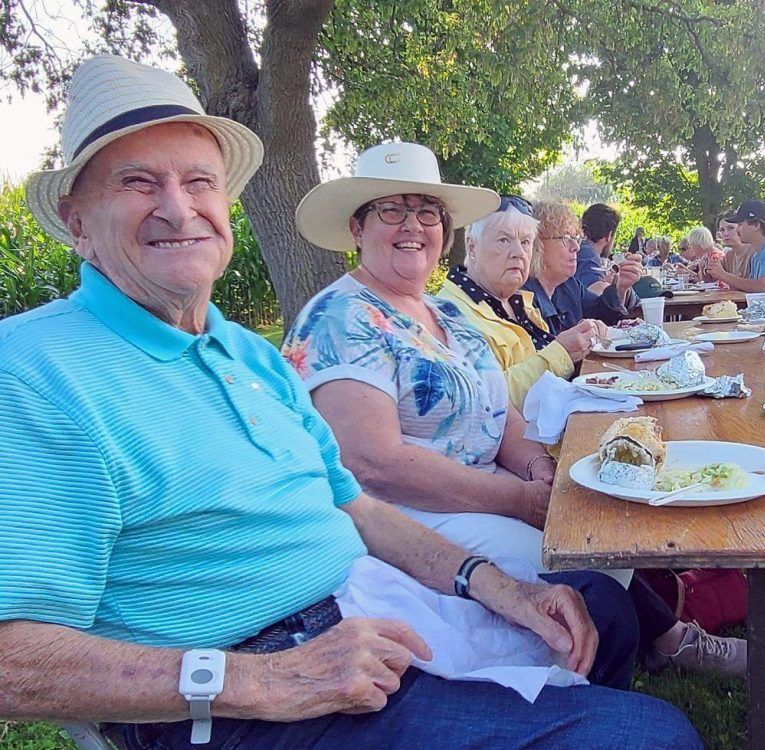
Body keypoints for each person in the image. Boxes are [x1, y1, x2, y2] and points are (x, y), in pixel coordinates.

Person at [0, 56, 703, 750]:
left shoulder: (244, 352)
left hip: (358, 609)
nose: (179, 208)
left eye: (199, 182)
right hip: (240, 696)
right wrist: (261, 680)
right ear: (77, 221)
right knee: (650, 737)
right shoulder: (32, 370)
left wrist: (496, 586)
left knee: (601, 610)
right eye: (137, 182)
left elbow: (354, 505)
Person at [284, 145, 576, 574]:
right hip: (409, 521)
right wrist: (519, 499)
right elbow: (376, 466)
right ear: (357, 229)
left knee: (603, 530)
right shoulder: (340, 317)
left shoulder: (449, 315)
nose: (413, 225)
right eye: (391, 211)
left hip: (492, 495)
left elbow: (500, 412)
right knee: (582, 562)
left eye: (427, 212)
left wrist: (538, 469)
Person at [437, 196, 597, 412]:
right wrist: (562, 353)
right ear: (471, 247)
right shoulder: (450, 314)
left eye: (525, 242)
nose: (518, 253)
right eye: (504, 240)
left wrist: (583, 341)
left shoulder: (517, 301)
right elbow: (485, 402)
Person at [522, 202, 642, 334]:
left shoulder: (569, 286)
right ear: (536, 243)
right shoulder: (522, 299)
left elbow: (602, 315)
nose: (576, 247)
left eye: (575, 238)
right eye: (566, 238)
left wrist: (621, 287)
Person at [575, 202, 622, 293]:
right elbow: (597, 291)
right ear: (609, 235)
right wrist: (620, 286)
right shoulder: (588, 254)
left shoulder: (580, 249)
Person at [718, 211, 753, 278]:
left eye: (731, 228)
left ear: (740, 227)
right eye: (722, 230)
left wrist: (722, 274)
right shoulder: (728, 256)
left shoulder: (754, 253)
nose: (726, 234)